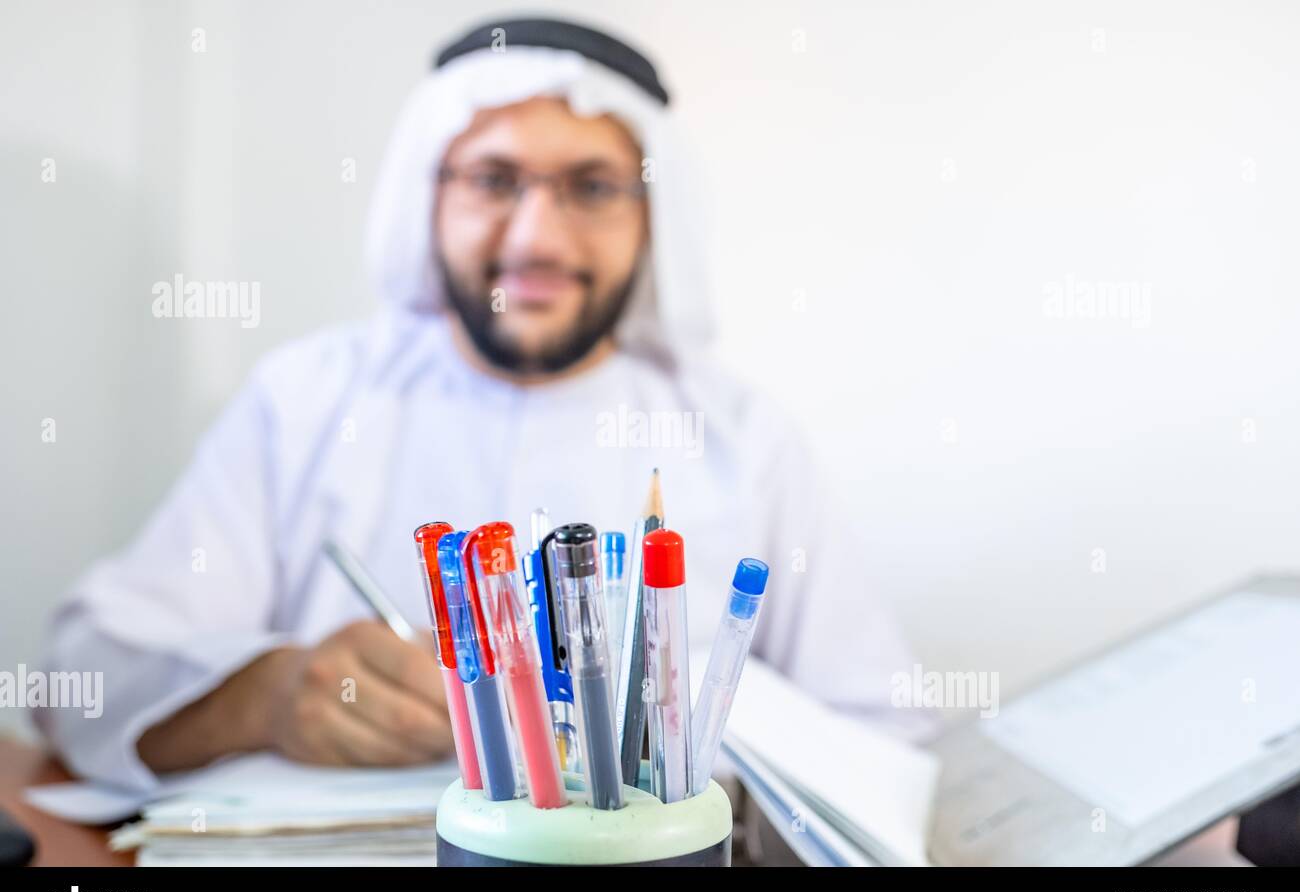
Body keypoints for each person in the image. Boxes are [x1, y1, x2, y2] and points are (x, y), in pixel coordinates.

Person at [35, 17, 922, 791]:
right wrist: (265, 696)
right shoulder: (306, 400)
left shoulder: (744, 438)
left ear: (652, 217)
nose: (537, 238)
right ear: (431, 196)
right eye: (494, 180)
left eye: (593, 186)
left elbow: (888, 742)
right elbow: (77, 677)